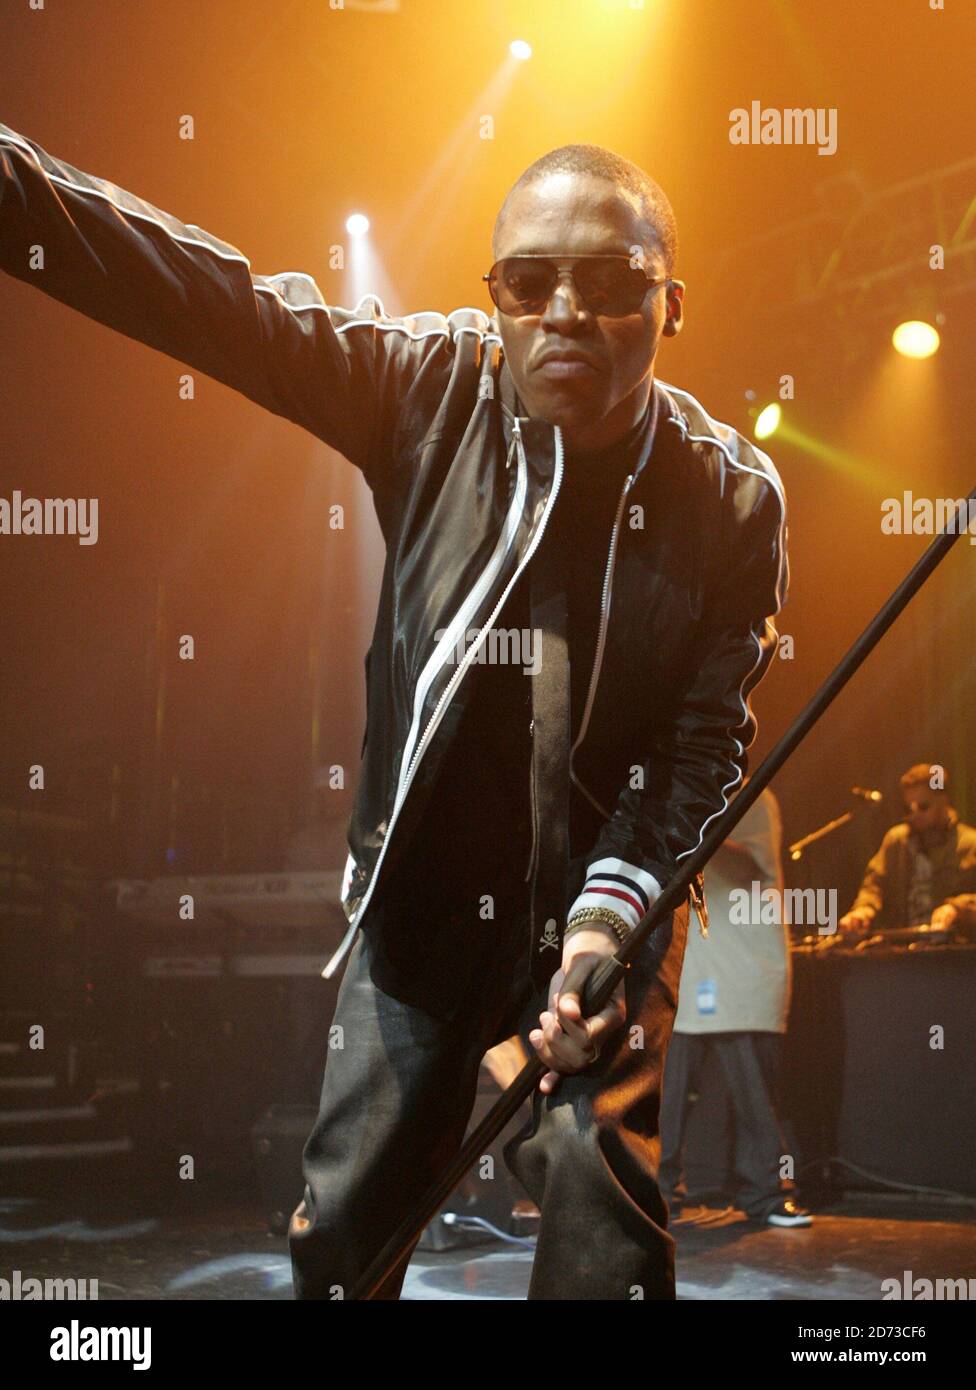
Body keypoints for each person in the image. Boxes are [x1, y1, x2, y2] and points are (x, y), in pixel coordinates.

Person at [0, 127, 788, 1299]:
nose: (563, 310)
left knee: (594, 1196)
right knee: (345, 1234)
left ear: (671, 303)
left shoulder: (728, 497)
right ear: (498, 297)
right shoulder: (423, 386)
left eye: (610, 283)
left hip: (594, 900)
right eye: (527, 282)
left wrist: (607, 930)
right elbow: (208, 297)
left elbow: (700, 746)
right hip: (418, 907)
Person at [659, 783, 812, 1227]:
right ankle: (658, 1193)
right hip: (690, 964)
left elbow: (749, 860)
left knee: (757, 1096)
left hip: (746, 962)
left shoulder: (755, 796)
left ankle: (767, 1193)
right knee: (667, 1095)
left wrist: (690, 831)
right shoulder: (676, 792)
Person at [839, 763, 976, 936]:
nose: (914, 814)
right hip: (904, 949)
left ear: (943, 799)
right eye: (908, 808)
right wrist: (863, 910)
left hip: (955, 953)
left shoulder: (971, 844)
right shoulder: (896, 841)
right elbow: (874, 887)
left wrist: (957, 908)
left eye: (923, 806)